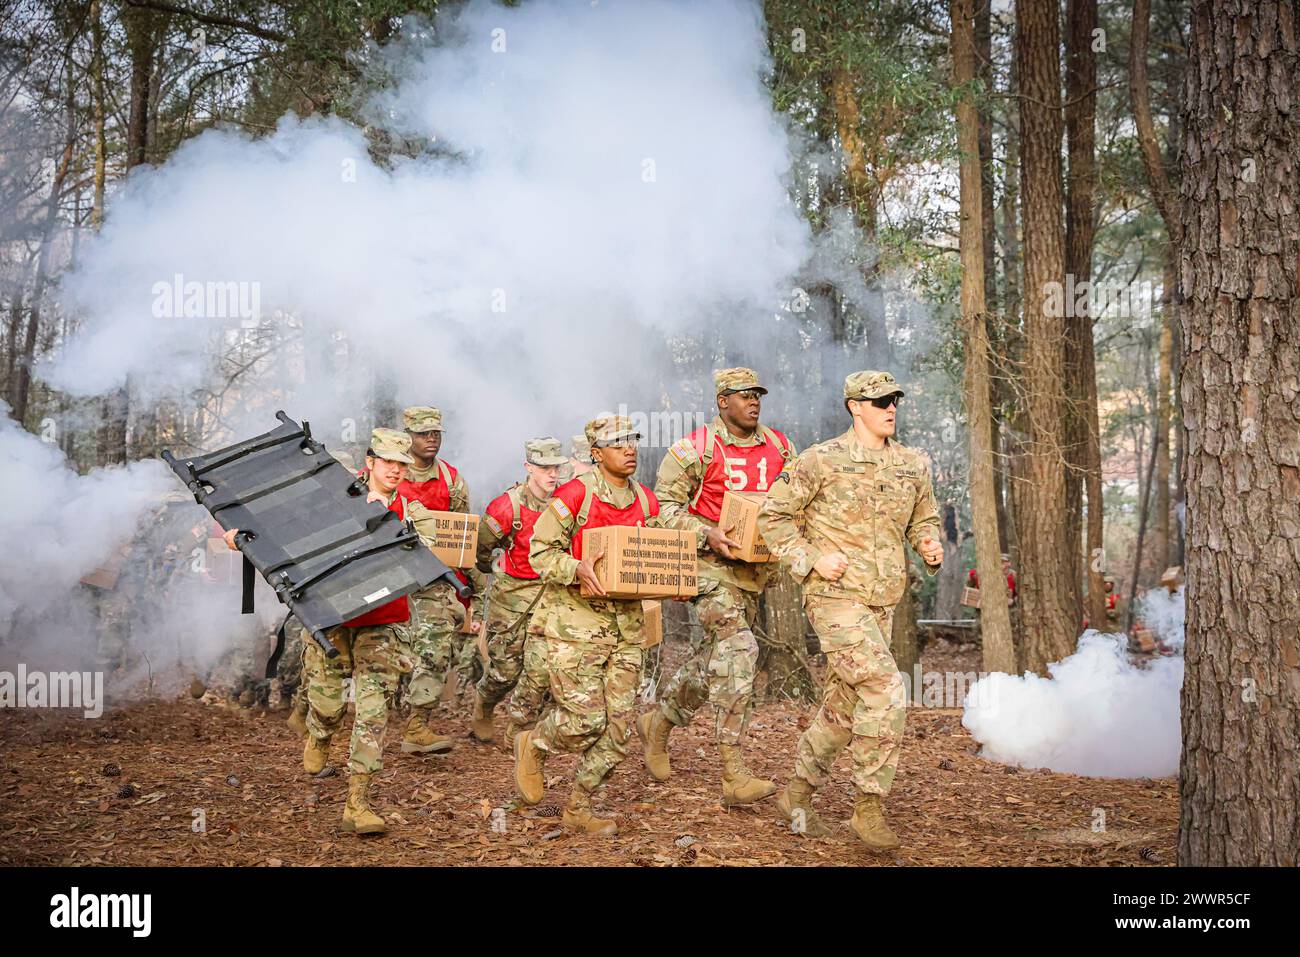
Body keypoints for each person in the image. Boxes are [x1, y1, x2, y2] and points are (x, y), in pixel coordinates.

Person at [758, 371, 943, 852]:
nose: (890, 408)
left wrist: (927, 540)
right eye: (879, 401)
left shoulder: (911, 464)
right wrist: (812, 557)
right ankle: (868, 808)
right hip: (834, 598)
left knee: (845, 706)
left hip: (882, 600)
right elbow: (771, 518)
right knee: (884, 686)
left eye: (894, 400)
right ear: (853, 406)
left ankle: (796, 793)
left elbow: (923, 514)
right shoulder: (820, 460)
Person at [224, 428, 419, 835]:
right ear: (370, 462)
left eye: (402, 463)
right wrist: (241, 538)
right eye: (388, 462)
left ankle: (358, 805)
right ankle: (319, 732)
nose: (396, 470)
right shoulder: (336, 495)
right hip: (333, 618)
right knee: (328, 705)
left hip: (384, 622)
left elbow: (432, 556)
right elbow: (289, 527)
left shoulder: (416, 507)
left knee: (372, 713)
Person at [638, 367, 795, 806]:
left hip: (755, 572)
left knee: (715, 660)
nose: (754, 401)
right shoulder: (695, 449)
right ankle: (733, 770)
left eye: (757, 395)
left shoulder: (780, 446)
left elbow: (800, 498)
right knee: (740, 650)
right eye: (744, 395)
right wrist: (706, 532)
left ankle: (660, 723)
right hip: (708, 570)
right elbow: (661, 510)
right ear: (722, 401)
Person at [512, 414, 662, 836]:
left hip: (628, 630)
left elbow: (656, 556)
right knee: (585, 721)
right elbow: (538, 552)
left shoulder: (647, 502)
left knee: (617, 732)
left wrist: (674, 581)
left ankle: (579, 808)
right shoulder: (574, 495)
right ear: (596, 454)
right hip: (575, 627)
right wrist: (575, 567)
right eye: (618, 442)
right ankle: (535, 744)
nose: (629, 448)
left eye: (633, 440)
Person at [394, 406, 484, 755]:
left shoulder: (450, 479)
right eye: (423, 434)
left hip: (432, 580)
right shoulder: (390, 471)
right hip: (392, 576)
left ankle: (417, 725)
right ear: (408, 437)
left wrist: (476, 581)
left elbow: (461, 534)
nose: (431, 439)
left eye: (436, 433)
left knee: (435, 650)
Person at [469, 437, 568, 744]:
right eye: (544, 467)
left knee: (541, 667)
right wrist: (492, 576)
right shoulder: (506, 507)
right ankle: (484, 702)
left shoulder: (566, 502)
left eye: (556, 467)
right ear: (528, 467)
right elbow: (482, 551)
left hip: (550, 593)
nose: (551, 474)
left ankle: (521, 728)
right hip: (511, 597)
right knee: (505, 671)